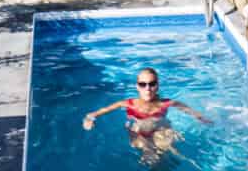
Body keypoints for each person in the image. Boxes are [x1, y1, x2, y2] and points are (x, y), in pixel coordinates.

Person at [82, 67, 211, 163]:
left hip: (161, 131)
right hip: (140, 134)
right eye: (143, 84)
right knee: (150, 159)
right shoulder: (128, 103)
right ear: (137, 86)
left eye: (152, 84)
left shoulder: (166, 103)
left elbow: (186, 109)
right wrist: (89, 119)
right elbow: (98, 112)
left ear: (157, 86)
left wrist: (201, 118)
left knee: (170, 152)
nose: (147, 88)